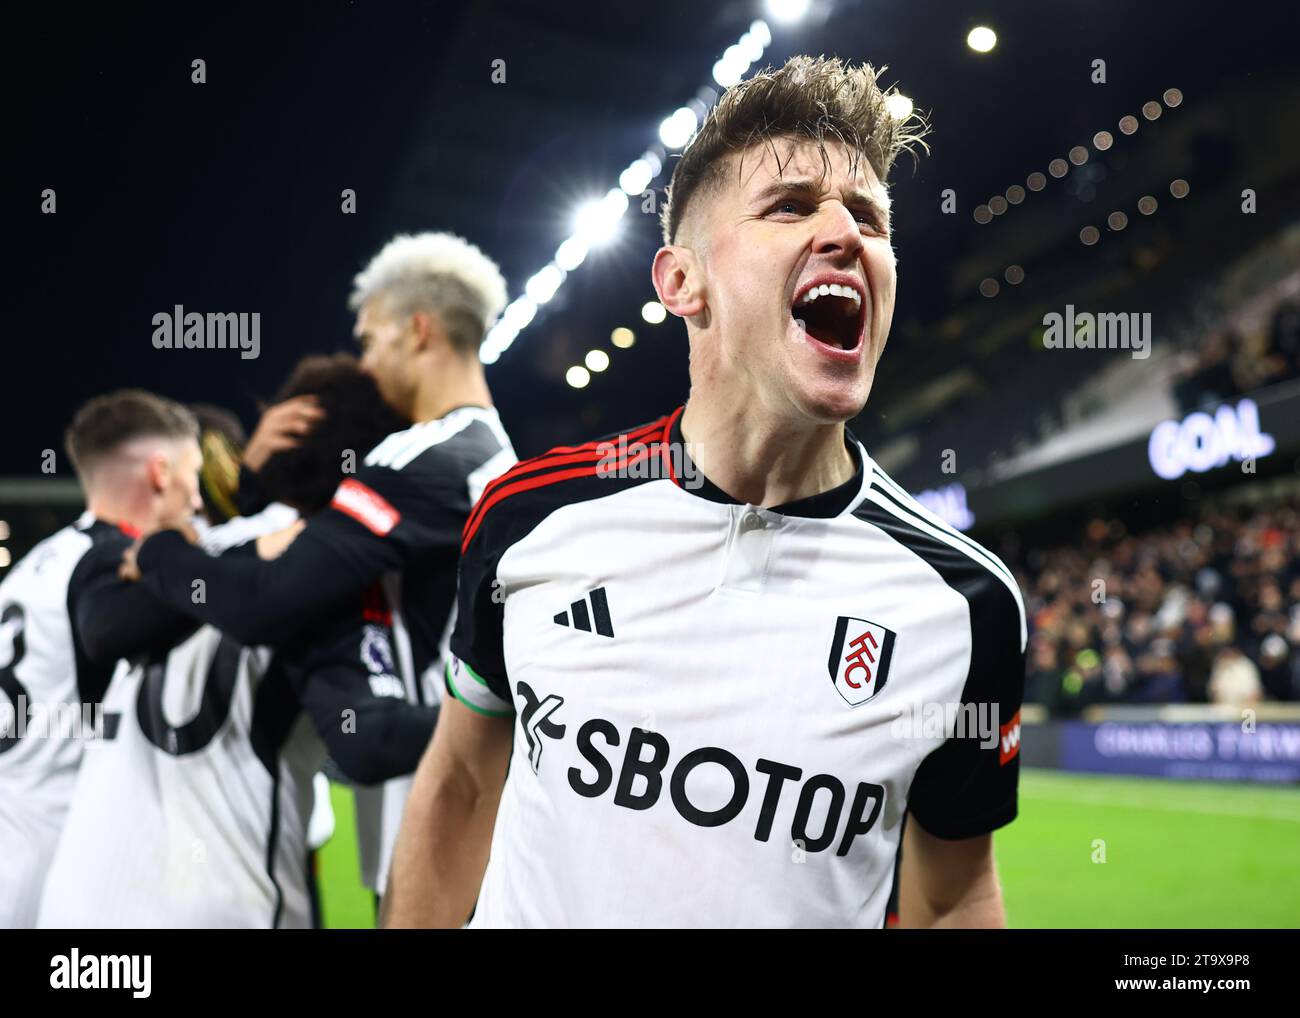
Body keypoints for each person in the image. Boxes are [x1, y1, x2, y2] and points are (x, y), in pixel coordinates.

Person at [385, 55, 1027, 929]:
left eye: (871, 218)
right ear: (681, 282)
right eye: (791, 205)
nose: (847, 234)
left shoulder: (964, 604)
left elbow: (953, 892)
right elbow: (461, 782)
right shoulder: (530, 517)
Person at [131, 233, 516, 897]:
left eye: (370, 341)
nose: (365, 364)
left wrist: (159, 550)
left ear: (416, 330)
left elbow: (262, 603)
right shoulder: (493, 458)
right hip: (473, 809)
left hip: (434, 812)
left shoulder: (417, 460)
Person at [38, 356, 438, 928]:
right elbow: (367, 740)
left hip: (81, 910)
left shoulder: (164, 560)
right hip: (219, 906)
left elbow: (105, 627)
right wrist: (504, 716)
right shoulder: (316, 581)